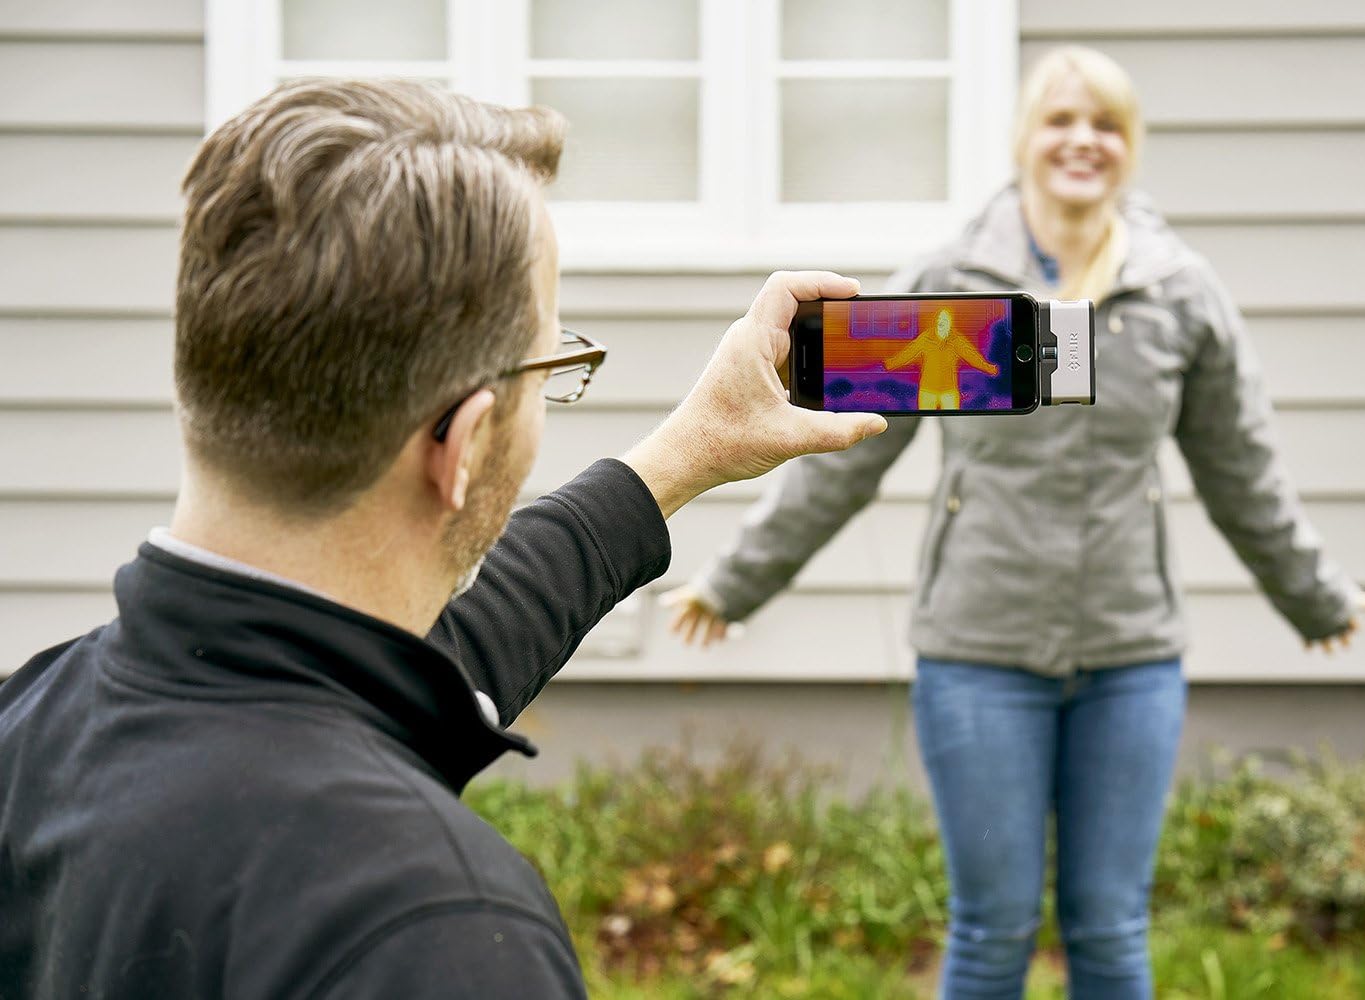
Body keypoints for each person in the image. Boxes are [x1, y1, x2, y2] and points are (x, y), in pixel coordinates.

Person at [0, 79, 885, 998]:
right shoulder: (439, 933)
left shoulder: (31, 730)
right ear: (461, 444)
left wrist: (682, 457)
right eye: (555, 366)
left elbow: (411, 664)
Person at [665, 46, 1365, 999]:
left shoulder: (1179, 295)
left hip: (1130, 657)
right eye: (1060, 120)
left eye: (1105, 125)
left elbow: (1240, 470)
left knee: (1111, 931)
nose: (1081, 142)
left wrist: (1315, 595)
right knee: (991, 931)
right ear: (1022, 140)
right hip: (977, 654)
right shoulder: (948, 282)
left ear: (1129, 148)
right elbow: (847, 453)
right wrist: (735, 579)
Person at [883, 307, 999, 410]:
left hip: (949, 393)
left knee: (953, 421)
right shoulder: (926, 338)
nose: (941, 321)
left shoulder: (956, 340)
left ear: (950, 322)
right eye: (939, 318)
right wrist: (889, 364)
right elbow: (908, 353)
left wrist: (990, 368)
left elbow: (972, 356)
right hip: (927, 392)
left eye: (945, 318)